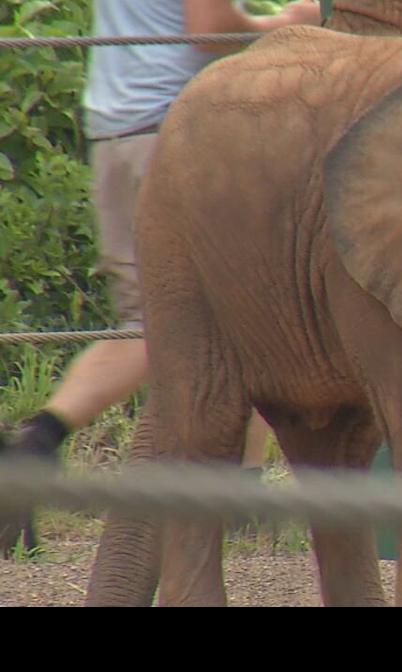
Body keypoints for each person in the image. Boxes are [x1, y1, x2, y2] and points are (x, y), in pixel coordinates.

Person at [0, 0, 323, 558]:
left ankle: (41, 441)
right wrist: (289, 24)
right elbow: (210, 32)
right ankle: (235, 493)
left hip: (113, 130)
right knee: (222, 313)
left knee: (161, 323)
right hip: (175, 136)